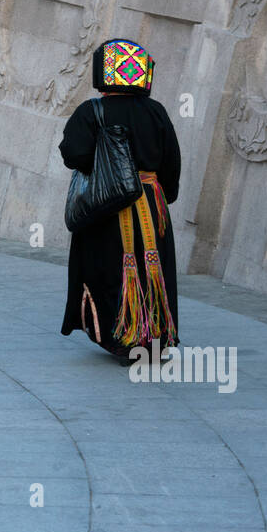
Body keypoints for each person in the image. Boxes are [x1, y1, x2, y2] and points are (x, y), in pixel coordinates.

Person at [58, 39, 181, 362]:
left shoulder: (92, 111)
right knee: (153, 267)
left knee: (109, 267)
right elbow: (171, 161)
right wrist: (163, 194)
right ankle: (156, 338)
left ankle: (124, 338)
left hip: (106, 206)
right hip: (152, 203)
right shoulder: (156, 112)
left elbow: (73, 155)